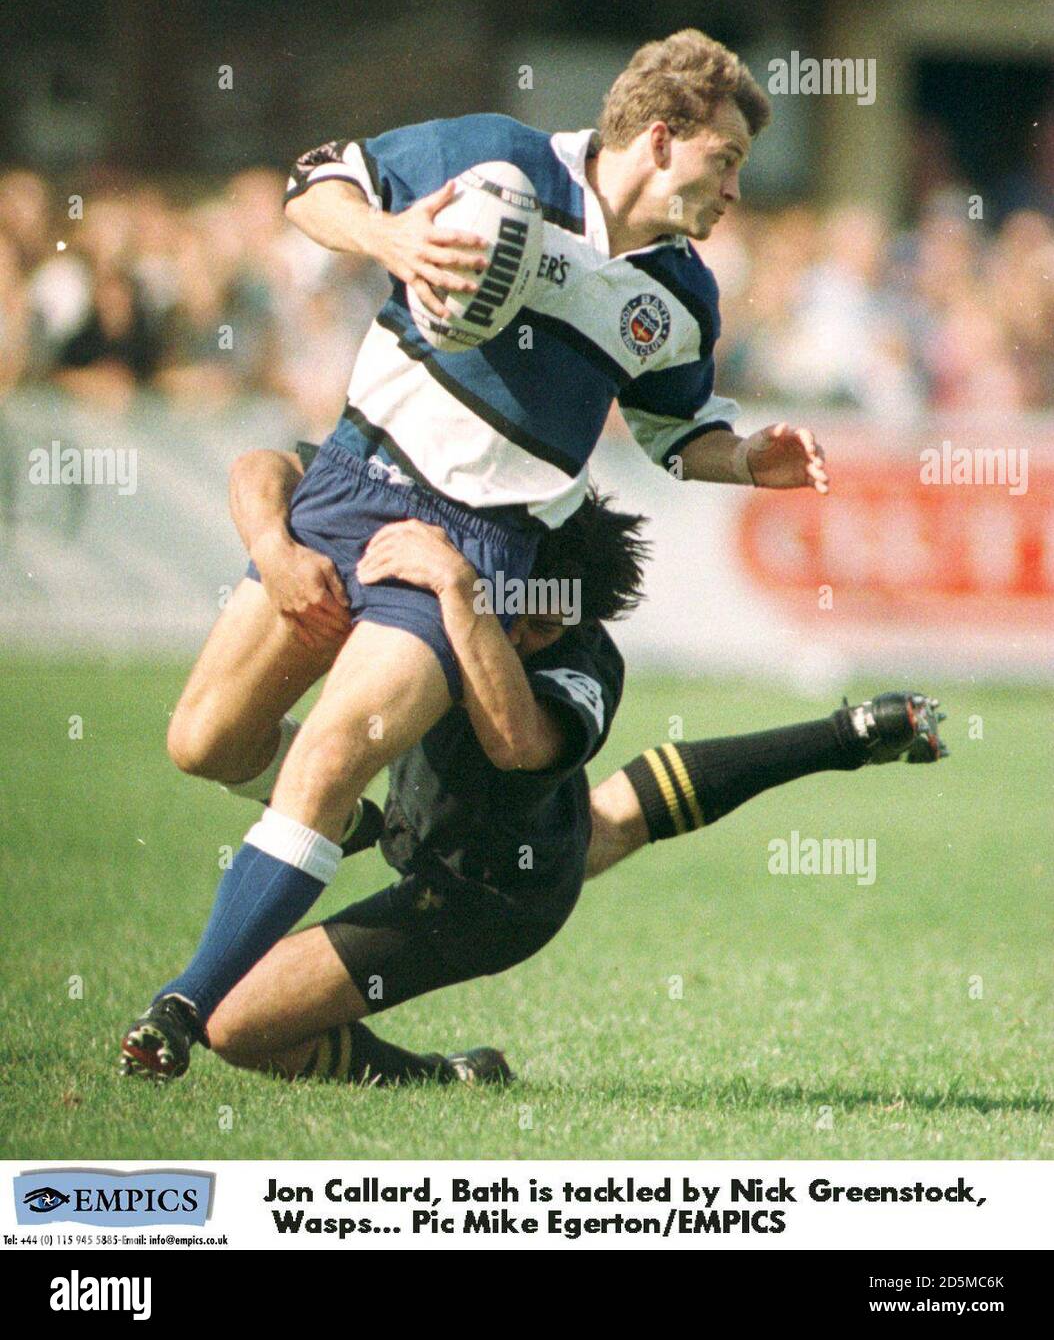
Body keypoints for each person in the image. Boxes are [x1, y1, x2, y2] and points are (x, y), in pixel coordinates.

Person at [120, 29, 830, 1078]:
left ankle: (178, 1008)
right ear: (662, 139)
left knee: (321, 758)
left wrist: (745, 456)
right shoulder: (501, 161)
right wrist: (391, 239)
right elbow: (314, 183)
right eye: (724, 162)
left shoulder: (679, 295)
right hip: (353, 480)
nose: (734, 190)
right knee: (206, 740)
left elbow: (677, 434)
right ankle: (352, 833)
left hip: (475, 544)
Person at [121, 448, 944, 1082]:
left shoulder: (580, 657)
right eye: (524, 613)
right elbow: (264, 467)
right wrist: (273, 547)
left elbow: (518, 743)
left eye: (544, 626)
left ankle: (445, 1079)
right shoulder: (446, 530)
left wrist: (460, 593)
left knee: (236, 1027)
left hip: (488, 892)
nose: (530, 635)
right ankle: (849, 734)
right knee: (611, 816)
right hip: (486, 823)